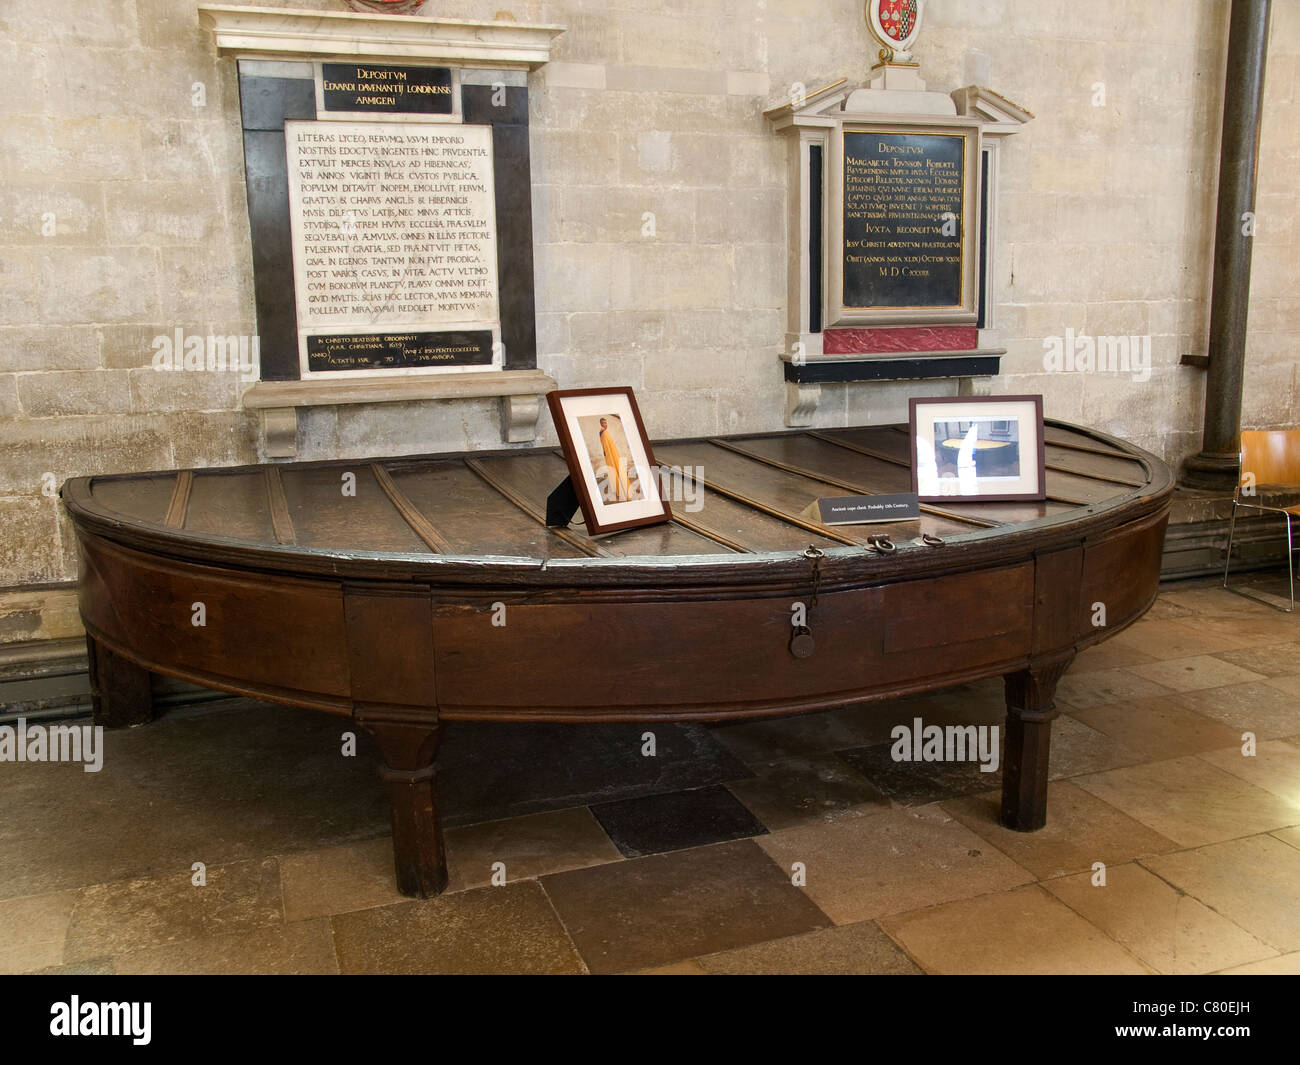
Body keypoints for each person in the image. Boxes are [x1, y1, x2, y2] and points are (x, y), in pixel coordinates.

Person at [599, 416, 632, 502]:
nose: (606, 424)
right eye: (604, 423)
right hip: (611, 454)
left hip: (611, 453)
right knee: (616, 468)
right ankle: (621, 489)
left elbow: (608, 444)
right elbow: (606, 445)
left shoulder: (603, 432)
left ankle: (619, 488)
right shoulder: (604, 432)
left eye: (606, 423)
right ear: (601, 424)